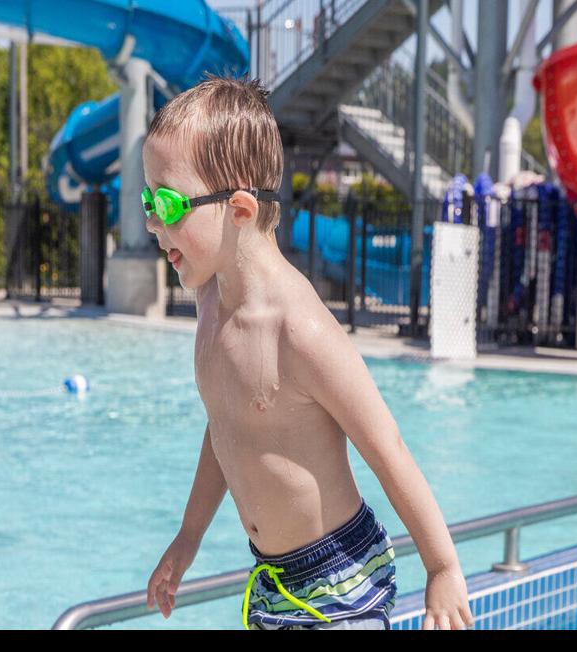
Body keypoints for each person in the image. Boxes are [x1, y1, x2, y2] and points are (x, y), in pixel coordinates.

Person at [141, 75, 472, 630]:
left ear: (239, 209)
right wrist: (188, 536)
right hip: (273, 579)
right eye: (148, 201)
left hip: (339, 580)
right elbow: (226, 425)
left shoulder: (301, 332)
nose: (152, 222)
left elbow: (386, 447)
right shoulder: (209, 303)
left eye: (169, 204)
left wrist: (442, 568)